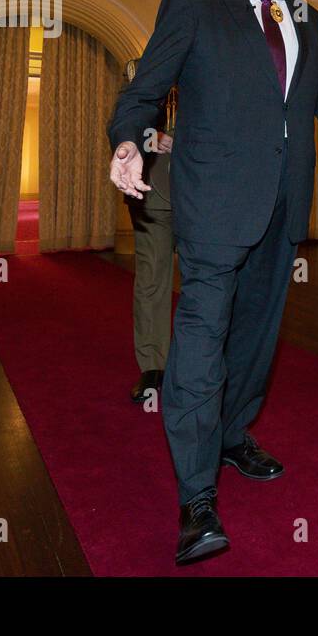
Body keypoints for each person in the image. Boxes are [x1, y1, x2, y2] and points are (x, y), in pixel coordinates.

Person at [107, 0, 318, 564]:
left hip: (282, 207)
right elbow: (149, 83)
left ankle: (233, 434)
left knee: (256, 337)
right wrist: (128, 140)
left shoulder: (307, 17)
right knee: (201, 338)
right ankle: (196, 496)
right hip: (213, 203)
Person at [123, 70, 175, 404]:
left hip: (208, 196)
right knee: (152, 280)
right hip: (153, 194)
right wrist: (147, 138)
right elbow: (121, 123)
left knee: (212, 283)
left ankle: (202, 365)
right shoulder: (141, 68)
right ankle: (154, 367)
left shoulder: (218, 59)